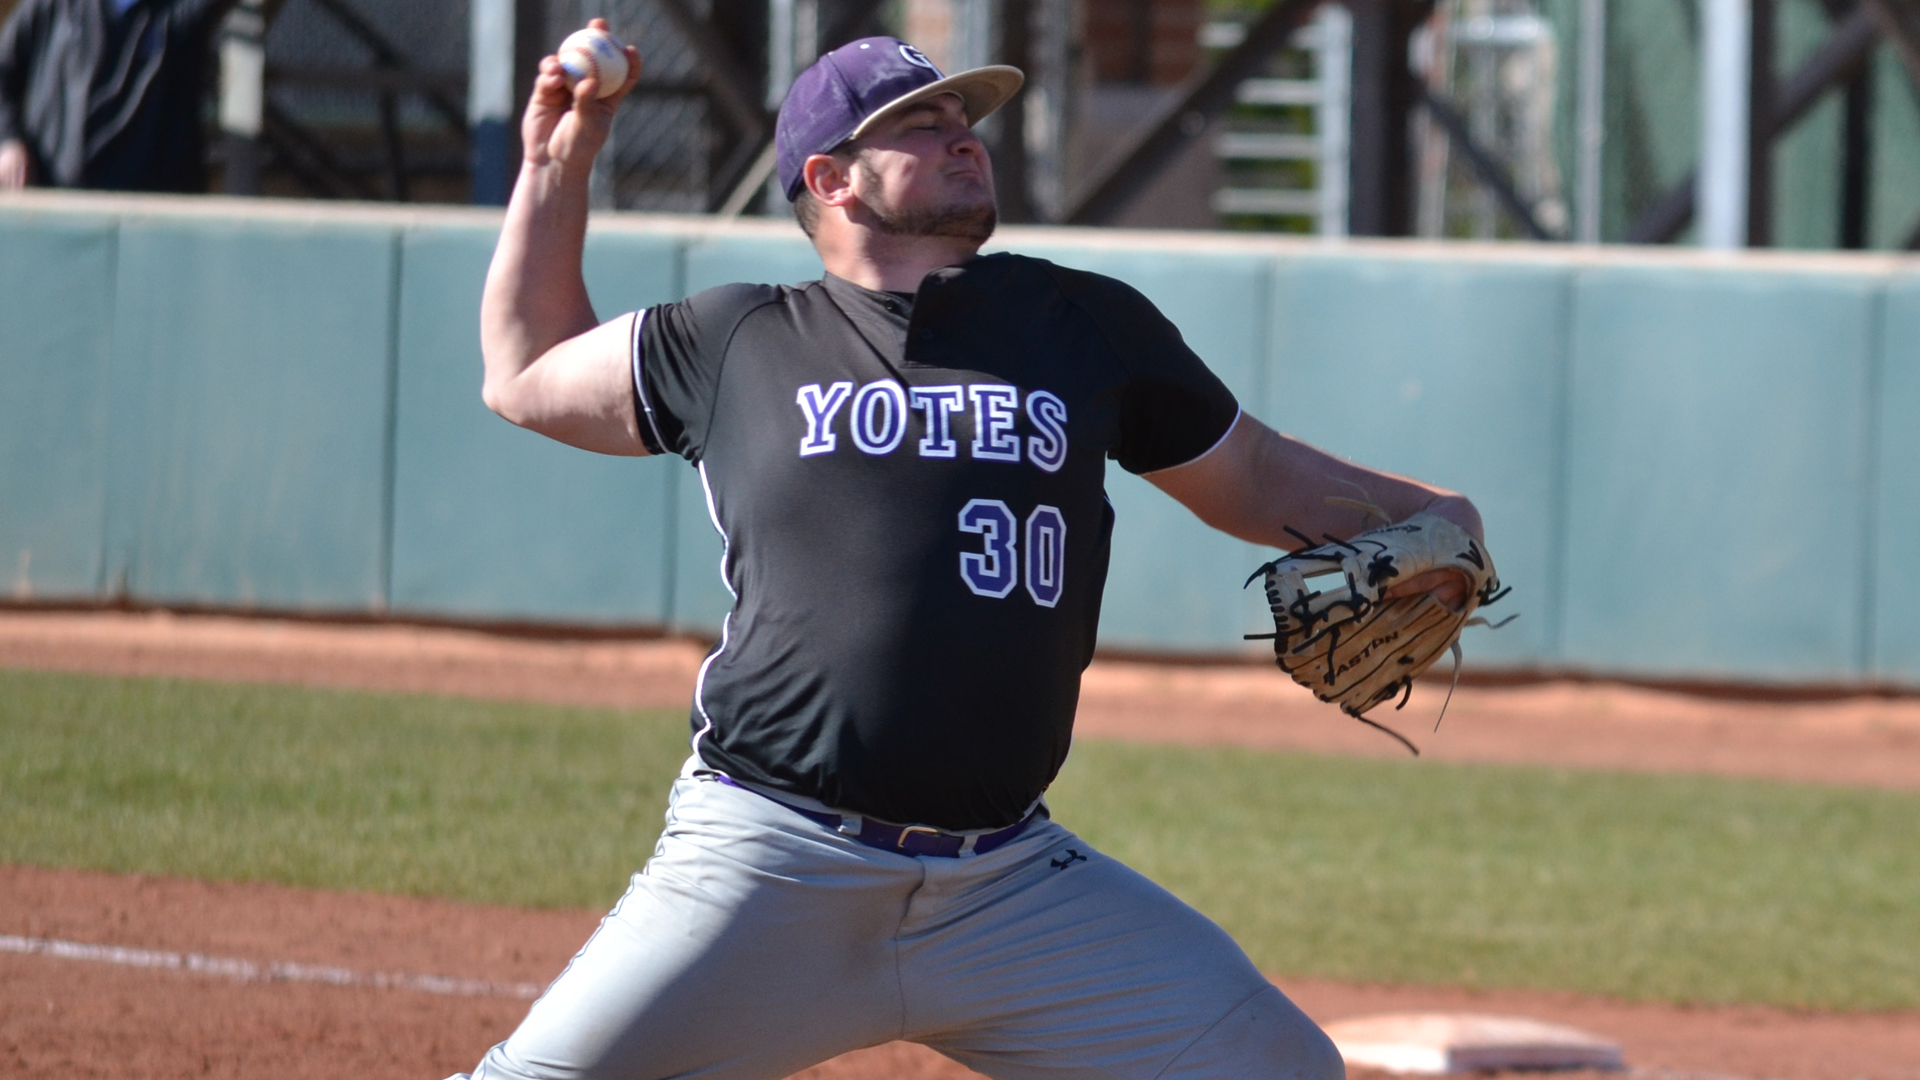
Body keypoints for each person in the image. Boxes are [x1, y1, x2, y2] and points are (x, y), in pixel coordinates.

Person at [466, 20, 1483, 1080]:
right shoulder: (734, 339)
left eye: (966, 121)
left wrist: (1435, 511)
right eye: (922, 125)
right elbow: (525, 370)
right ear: (832, 177)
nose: (964, 139)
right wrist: (555, 160)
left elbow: (1253, 475)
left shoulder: (1079, 322)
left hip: (1009, 889)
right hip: (770, 862)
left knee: (1279, 1069)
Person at [0, 0, 238, 192]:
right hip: (56, 200)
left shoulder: (178, 10)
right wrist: (8, 139)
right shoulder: (55, 6)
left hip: (146, 214)